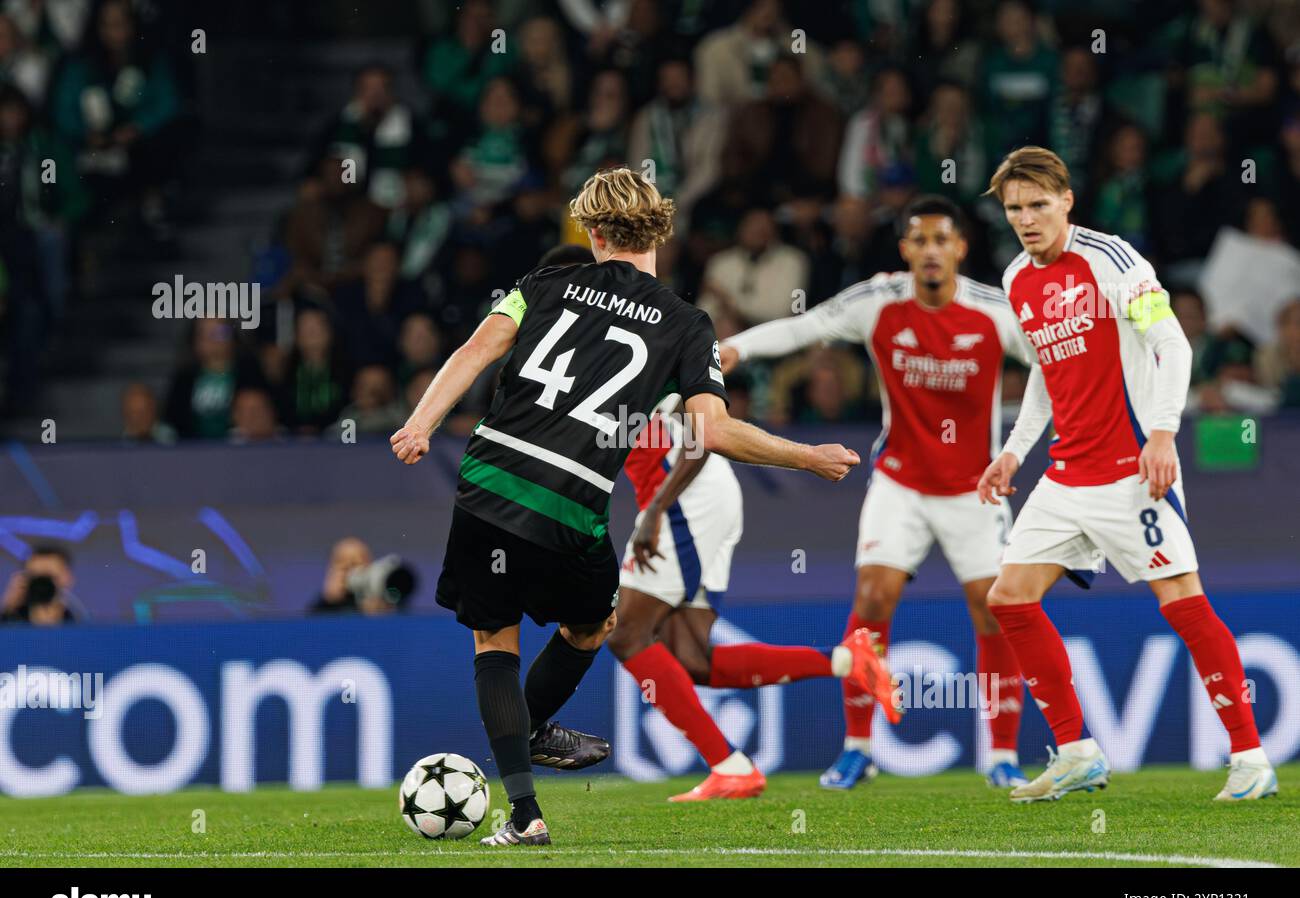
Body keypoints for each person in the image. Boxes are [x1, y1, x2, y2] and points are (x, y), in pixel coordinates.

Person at [389, 168, 861, 846]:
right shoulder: (687, 324)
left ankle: (526, 812)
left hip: (490, 479)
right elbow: (714, 431)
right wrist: (807, 456)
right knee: (594, 626)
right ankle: (531, 738)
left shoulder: (544, 284)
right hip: (572, 501)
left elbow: (475, 350)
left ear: (593, 231)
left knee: (495, 640)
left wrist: (421, 423)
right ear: (661, 230)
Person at [978, 146, 1277, 803]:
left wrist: (1163, 433)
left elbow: (1172, 343)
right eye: (1014, 209)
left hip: (1131, 468)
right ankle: (1077, 753)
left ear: (1067, 201)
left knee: (1183, 602)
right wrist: (1014, 451)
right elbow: (1045, 371)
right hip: (1066, 476)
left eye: (1038, 205)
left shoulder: (1112, 262)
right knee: (1009, 598)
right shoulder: (1016, 278)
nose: (1026, 219)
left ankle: (1251, 758)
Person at [722, 195, 1035, 789]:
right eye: (920, 240)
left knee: (996, 612)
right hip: (901, 483)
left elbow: (1053, 364)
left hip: (975, 488)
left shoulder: (996, 311)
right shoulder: (878, 301)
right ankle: (858, 747)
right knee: (871, 600)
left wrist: (1020, 445)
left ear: (961, 248)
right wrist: (740, 346)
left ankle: (1001, 756)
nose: (931, 251)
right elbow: (807, 325)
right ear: (905, 250)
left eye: (942, 240)